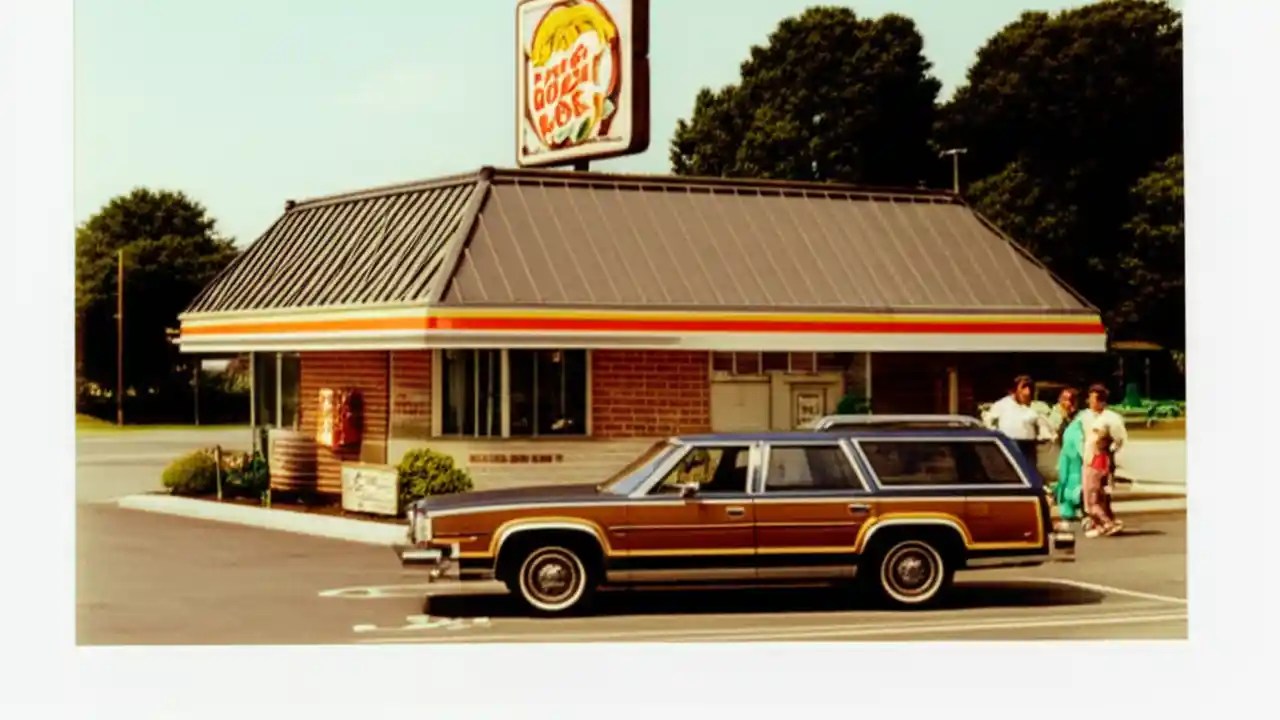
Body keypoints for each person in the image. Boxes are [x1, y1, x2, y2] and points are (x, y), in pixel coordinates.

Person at [1080, 383, 1127, 537]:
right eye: (1090, 398)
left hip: (1098, 460)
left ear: (1102, 401)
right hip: (1090, 458)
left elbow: (1119, 439)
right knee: (1096, 494)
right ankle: (1100, 524)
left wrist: (1108, 449)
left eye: (1094, 399)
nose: (1090, 402)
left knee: (1092, 496)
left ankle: (1107, 522)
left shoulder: (1110, 419)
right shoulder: (1086, 416)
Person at [985, 375, 1052, 466]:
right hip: (1009, 445)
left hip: (1028, 446)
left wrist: (1044, 435)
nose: (1027, 392)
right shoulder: (1002, 405)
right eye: (1024, 387)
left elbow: (1044, 427)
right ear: (1015, 390)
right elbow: (988, 421)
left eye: (1030, 388)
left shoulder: (1036, 407)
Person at [1052, 388, 1084, 531]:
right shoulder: (1058, 416)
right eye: (1064, 399)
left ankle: (1082, 506)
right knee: (1063, 480)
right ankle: (1067, 510)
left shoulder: (1081, 418)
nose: (1067, 403)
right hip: (1065, 455)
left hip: (1078, 455)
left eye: (1071, 400)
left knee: (1077, 480)